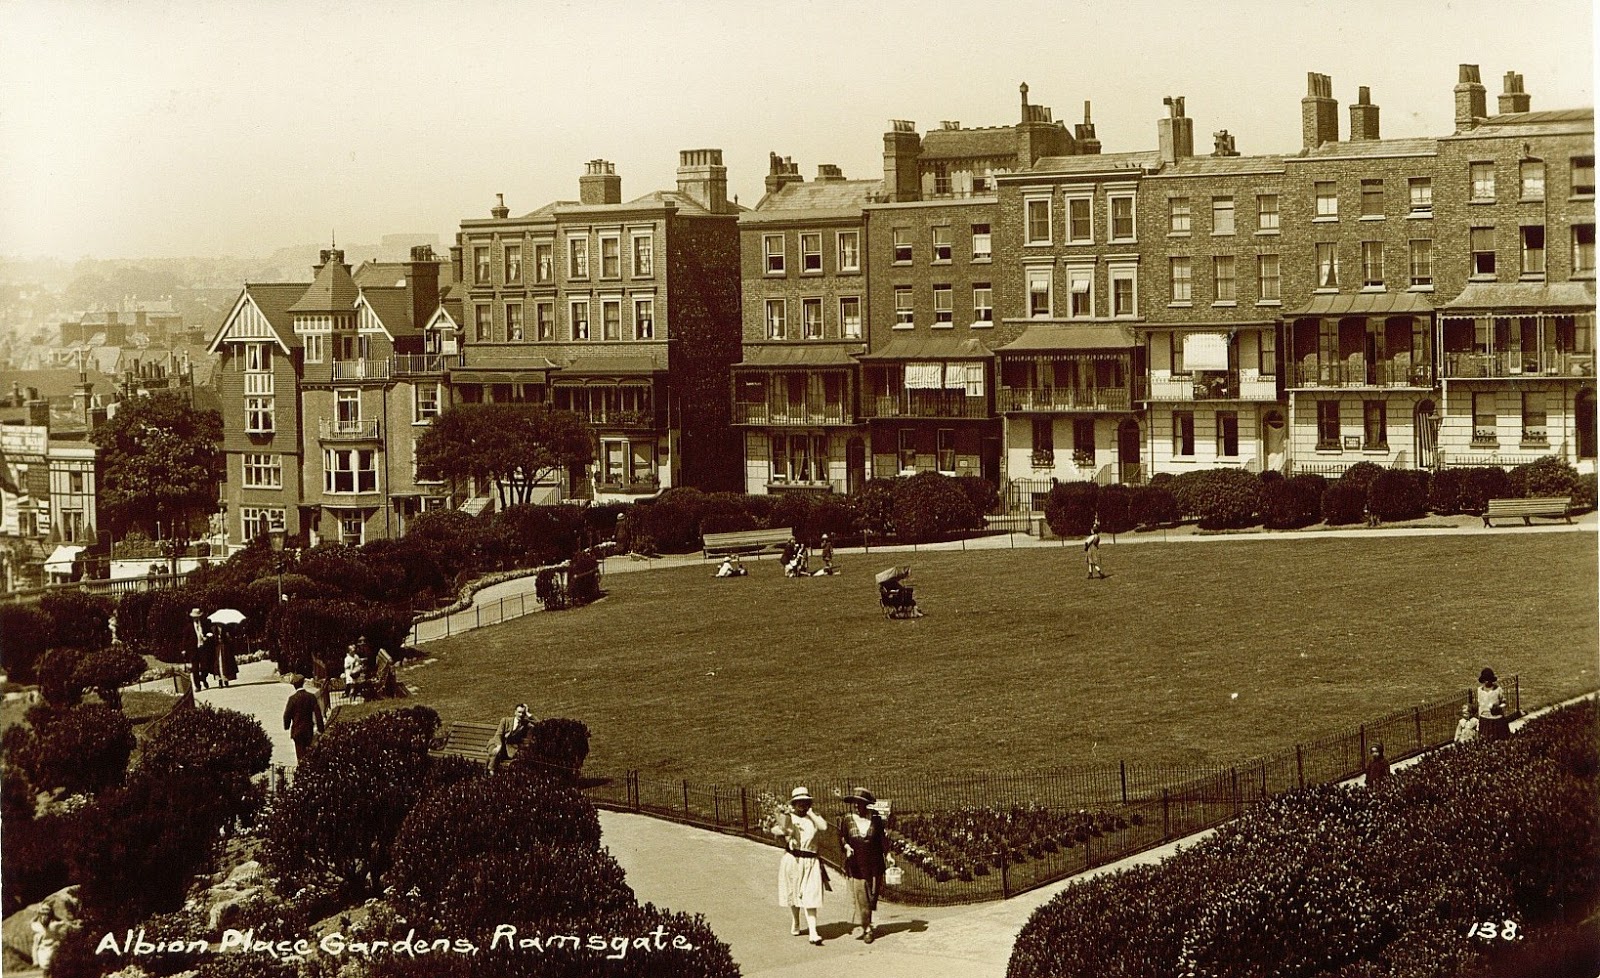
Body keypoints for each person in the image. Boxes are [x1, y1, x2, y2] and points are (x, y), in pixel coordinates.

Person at [773, 786, 829, 945]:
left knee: (811, 895)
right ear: (794, 804)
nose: (802, 805)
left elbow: (824, 827)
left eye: (805, 802)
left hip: (811, 861)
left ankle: (813, 932)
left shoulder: (814, 818)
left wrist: (811, 813)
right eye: (799, 802)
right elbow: (775, 829)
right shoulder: (788, 817)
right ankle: (796, 920)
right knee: (793, 892)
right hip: (793, 860)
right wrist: (786, 832)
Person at [838, 786, 888, 943]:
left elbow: (882, 840)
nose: (856, 805)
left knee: (871, 898)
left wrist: (889, 855)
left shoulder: (876, 819)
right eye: (854, 802)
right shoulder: (847, 820)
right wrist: (846, 847)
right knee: (862, 898)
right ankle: (867, 929)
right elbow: (842, 838)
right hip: (857, 865)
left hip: (875, 865)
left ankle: (868, 921)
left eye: (859, 803)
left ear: (866, 804)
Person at [283, 674, 325, 763]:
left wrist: (287, 725)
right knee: (309, 753)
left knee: (300, 755)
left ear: (294, 685)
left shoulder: (292, 699)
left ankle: (301, 767)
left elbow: (287, 715)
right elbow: (318, 713)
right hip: (308, 729)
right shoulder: (311, 697)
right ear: (303, 683)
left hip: (297, 730)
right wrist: (320, 729)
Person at [487, 703, 535, 773]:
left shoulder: (525, 723)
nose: (521, 715)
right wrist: (499, 745)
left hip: (509, 748)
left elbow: (539, 723)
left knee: (496, 755)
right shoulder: (505, 720)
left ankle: (488, 772)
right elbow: (498, 734)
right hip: (496, 743)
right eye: (519, 712)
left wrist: (528, 714)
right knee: (495, 752)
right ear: (515, 712)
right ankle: (491, 772)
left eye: (523, 713)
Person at [1477, 668, 1510, 741]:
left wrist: (1498, 707)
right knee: (1485, 740)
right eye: (1485, 680)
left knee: (1498, 740)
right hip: (1484, 719)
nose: (1487, 681)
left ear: (1491, 680)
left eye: (1488, 679)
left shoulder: (1498, 690)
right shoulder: (1479, 690)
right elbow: (1480, 705)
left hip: (1496, 719)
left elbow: (1504, 703)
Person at [189, 608, 213, 690]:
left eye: (197, 617)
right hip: (194, 650)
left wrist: (207, 637)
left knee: (205, 667)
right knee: (195, 669)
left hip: (203, 648)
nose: (196, 618)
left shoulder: (204, 624)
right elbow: (185, 639)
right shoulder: (189, 627)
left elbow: (209, 632)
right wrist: (184, 649)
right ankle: (197, 686)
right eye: (194, 617)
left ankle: (203, 678)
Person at [213, 622, 239, 688]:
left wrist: (227, 637)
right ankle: (220, 681)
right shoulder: (213, 628)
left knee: (225, 663)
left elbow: (230, 638)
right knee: (218, 664)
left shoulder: (226, 627)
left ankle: (226, 680)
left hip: (225, 648)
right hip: (217, 648)